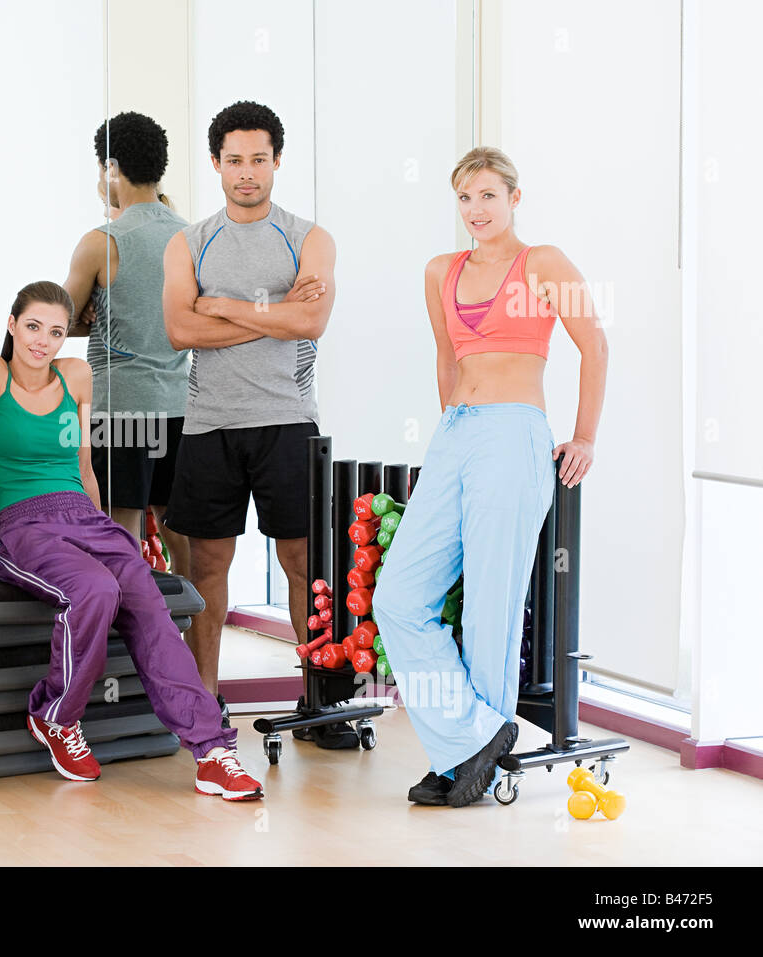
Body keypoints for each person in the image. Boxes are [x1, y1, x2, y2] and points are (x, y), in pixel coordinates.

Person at [371, 147, 609, 808]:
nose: (476, 211)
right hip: (457, 433)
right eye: (465, 199)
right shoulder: (439, 272)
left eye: (487, 196)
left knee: (489, 609)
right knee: (398, 595)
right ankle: (470, 738)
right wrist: (451, 437)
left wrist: (584, 434)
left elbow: (596, 344)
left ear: (514, 198)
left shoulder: (544, 263)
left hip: (515, 431)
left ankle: (461, 766)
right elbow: (445, 361)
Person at [0, 281, 263, 801]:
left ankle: (212, 752)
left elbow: (83, 466)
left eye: (57, 331)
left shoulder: (77, 375)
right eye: (33, 326)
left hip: (83, 516)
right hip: (22, 523)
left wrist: (105, 534)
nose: (43, 340)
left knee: (144, 598)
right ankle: (56, 716)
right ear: (13, 324)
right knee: (94, 590)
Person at [161, 100, 334, 712]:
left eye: (259, 159)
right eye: (234, 160)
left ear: (277, 162)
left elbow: (311, 320)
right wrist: (273, 316)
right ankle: (205, 701)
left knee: (303, 565)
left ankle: (317, 699)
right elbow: (180, 331)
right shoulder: (189, 243)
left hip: (288, 419)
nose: (247, 172)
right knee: (207, 568)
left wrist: (223, 306)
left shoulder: (309, 238)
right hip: (212, 425)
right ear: (216, 164)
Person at [63, 112, 192, 599]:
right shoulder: (191, 237)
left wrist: (89, 314)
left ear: (110, 167)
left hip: (119, 409)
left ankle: (125, 647)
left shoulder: (103, 241)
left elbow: (59, 321)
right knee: (181, 537)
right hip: (179, 407)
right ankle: (177, 645)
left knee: (120, 534)